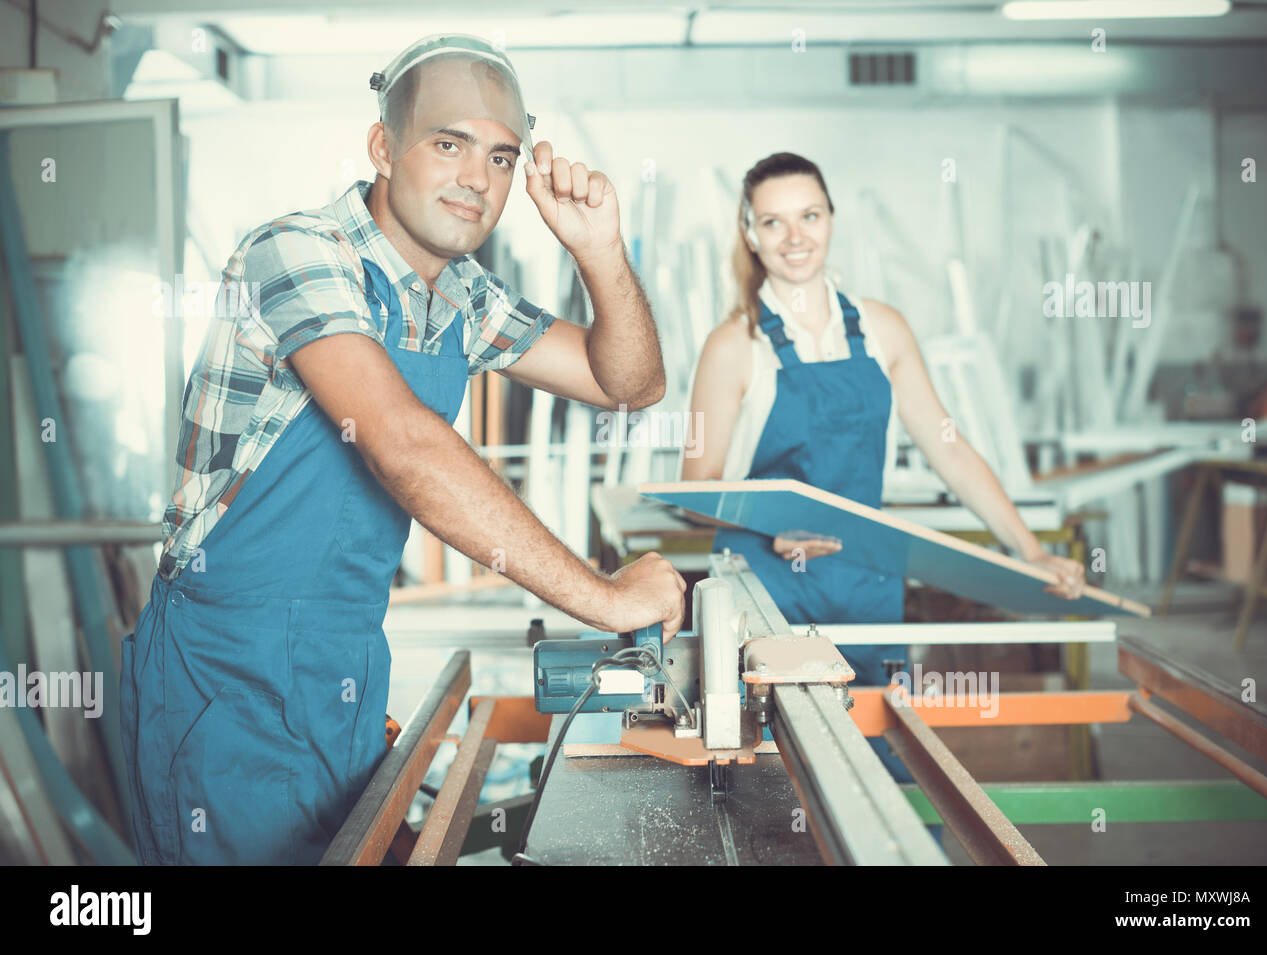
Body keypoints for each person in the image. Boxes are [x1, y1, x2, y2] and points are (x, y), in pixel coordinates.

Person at [120, 33, 685, 866]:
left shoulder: (461, 293)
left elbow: (630, 384)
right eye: (448, 144)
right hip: (223, 684)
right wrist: (603, 598)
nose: (476, 180)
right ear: (383, 146)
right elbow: (404, 447)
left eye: (500, 158)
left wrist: (599, 250)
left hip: (343, 670)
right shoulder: (297, 253)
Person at [682, 151, 1085, 787]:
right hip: (767, 582)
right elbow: (694, 488)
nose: (795, 237)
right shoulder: (734, 344)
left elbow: (949, 447)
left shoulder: (882, 329)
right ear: (750, 234)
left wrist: (1028, 549)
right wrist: (773, 528)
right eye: (775, 222)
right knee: (766, 762)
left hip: (866, 574)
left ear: (832, 219)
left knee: (880, 751)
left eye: (809, 216)